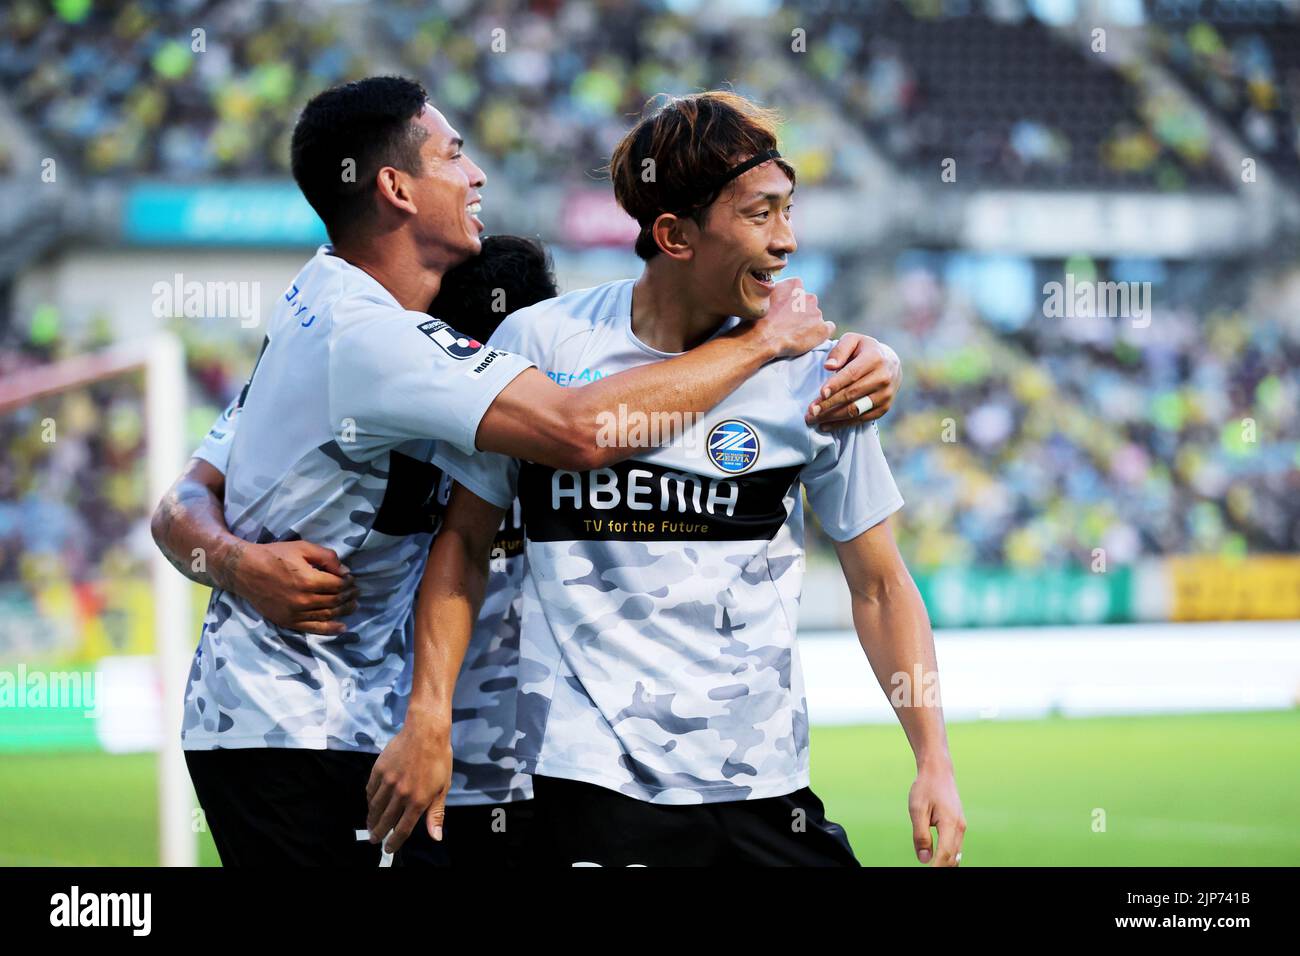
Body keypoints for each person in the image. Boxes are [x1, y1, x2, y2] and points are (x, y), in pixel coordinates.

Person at [151, 76, 901, 866]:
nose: (477, 175)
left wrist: (870, 354)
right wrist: (763, 343)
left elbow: (184, 497)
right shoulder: (375, 339)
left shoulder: (325, 307)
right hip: (297, 723)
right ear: (396, 188)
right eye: (454, 155)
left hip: (368, 731)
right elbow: (580, 430)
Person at [388, 91, 965, 866]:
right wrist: (428, 714)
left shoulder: (822, 376)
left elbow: (881, 586)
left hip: (759, 782)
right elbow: (461, 545)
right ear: (674, 235)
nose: (787, 240)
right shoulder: (544, 343)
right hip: (587, 783)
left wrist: (934, 759)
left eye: (789, 211)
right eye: (761, 215)